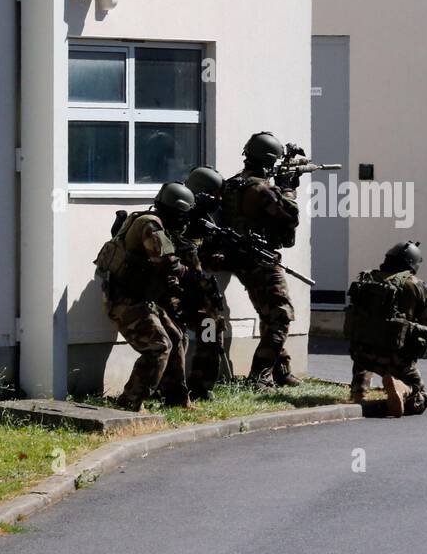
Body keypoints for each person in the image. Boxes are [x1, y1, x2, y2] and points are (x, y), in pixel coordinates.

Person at [93, 182, 196, 411]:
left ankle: (176, 398)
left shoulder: (149, 220)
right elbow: (166, 262)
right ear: (175, 211)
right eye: (183, 216)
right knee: (159, 346)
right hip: (124, 301)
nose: (185, 221)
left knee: (178, 337)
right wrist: (191, 273)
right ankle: (130, 401)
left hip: (141, 298)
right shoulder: (150, 225)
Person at [219, 132, 302, 389]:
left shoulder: (233, 183)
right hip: (260, 259)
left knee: (269, 315)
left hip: (241, 257)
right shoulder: (262, 188)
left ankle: (282, 370)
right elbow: (290, 215)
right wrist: (288, 187)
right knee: (280, 315)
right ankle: (259, 377)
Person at [345, 241, 427, 418]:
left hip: (361, 354)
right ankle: (404, 389)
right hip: (396, 358)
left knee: (365, 349)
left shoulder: (366, 278)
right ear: (413, 263)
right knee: (422, 397)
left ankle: (359, 391)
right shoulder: (416, 285)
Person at [176, 165, 232, 400]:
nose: (217, 201)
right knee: (171, 337)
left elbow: (204, 256)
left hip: (194, 293)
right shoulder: (173, 215)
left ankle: (201, 386)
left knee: (211, 326)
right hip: (169, 293)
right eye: (213, 196)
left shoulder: (204, 219)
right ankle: (171, 389)